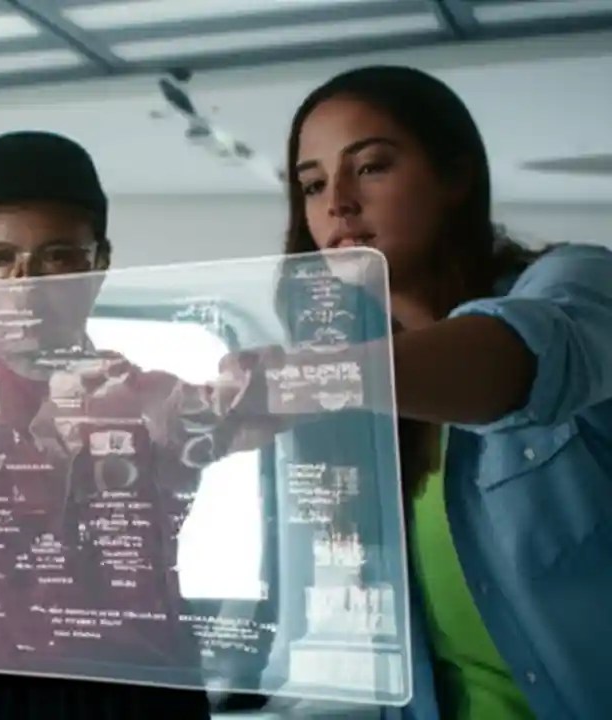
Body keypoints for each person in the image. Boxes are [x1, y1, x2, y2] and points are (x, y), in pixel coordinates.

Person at [237, 64, 612, 719]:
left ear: (456, 178)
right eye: (314, 184)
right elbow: (371, 652)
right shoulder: (353, 407)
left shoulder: (573, 279)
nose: (338, 203)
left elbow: (527, 355)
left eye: (372, 166)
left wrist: (306, 380)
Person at [0, 131, 214, 719]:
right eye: (1, 259)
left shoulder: (157, 401)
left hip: (138, 694)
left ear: (99, 262)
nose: (25, 286)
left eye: (58, 257)